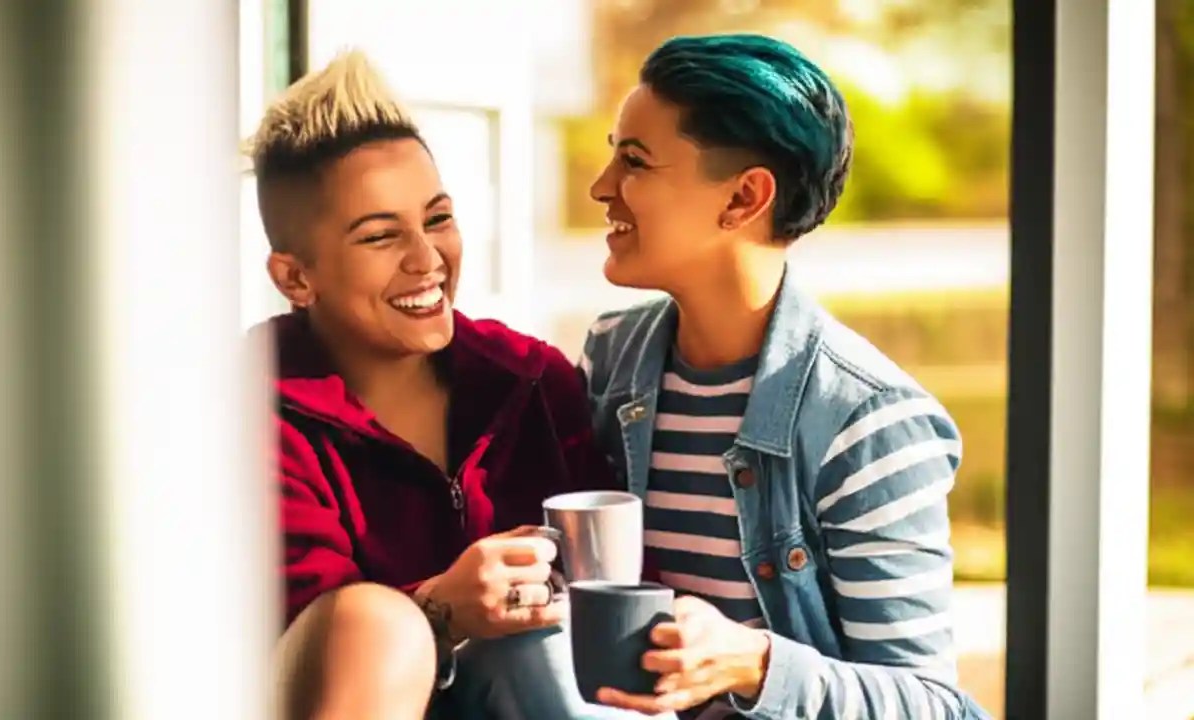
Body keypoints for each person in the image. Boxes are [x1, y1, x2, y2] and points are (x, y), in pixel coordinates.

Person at [578, 34, 991, 719]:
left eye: (635, 161)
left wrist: (751, 662)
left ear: (743, 197)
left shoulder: (867, 421)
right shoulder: (608, 361)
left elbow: (930, 704)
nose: (601, 186)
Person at [247, 50, 654, 720]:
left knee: (540, 651)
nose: (427, 259)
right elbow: (293, 646)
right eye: (380, 237)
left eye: (437, 219)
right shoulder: (245, 414)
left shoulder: (532, 381)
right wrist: (440, 607)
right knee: (371, 623)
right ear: (295, 278)